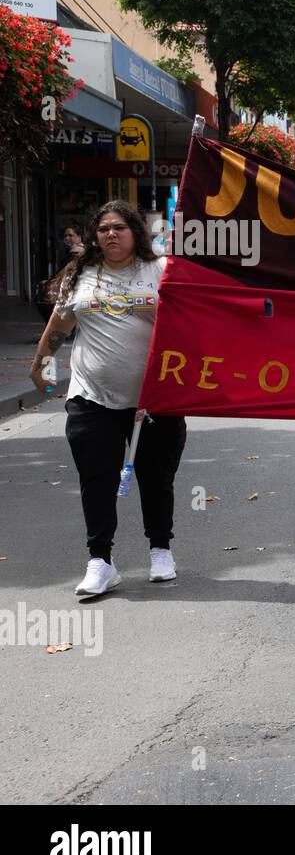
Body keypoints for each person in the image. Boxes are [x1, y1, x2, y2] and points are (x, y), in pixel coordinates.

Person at [29, 201, 187, 597]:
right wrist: (40, 365)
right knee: (96, 478)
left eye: (119, 227)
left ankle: (160, 549)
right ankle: (101, 562)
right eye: (103, 229)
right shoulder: (81, 275)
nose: (111, 234)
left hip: (154, 400)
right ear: (95, 236)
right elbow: (60, 323)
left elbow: (195, 317)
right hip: (90, 397)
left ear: (136, 232)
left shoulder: (161, 271)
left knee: (156, 477)